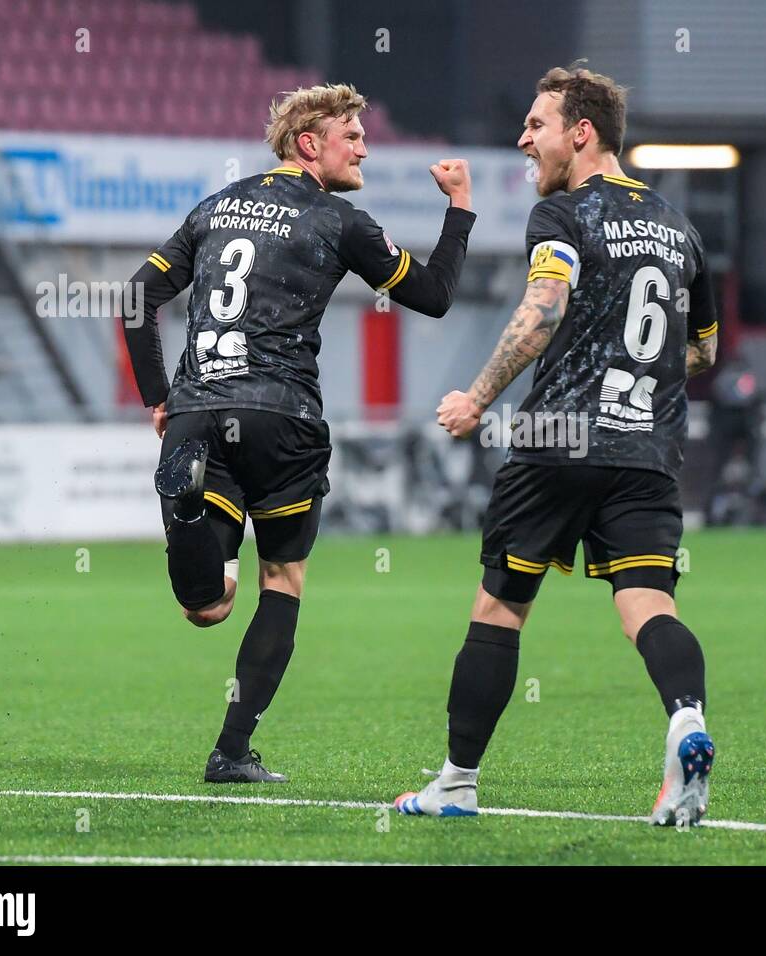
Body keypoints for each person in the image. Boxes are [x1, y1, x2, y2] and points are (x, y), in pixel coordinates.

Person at [120, 84, 475, 783]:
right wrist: (460, 209)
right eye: (352, 135)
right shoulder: (339, 220)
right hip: (281, 419)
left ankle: (190, 508)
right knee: (280, 580)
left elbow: (137, 296)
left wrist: (159, 399)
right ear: (308, 143)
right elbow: (433, 296)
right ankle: (230, 752)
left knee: (207, 607)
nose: (365, 147)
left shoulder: (215, 206)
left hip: (196, 413)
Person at [393, 66, 719, 825]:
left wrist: (476, 399)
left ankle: (457, 781)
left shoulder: (567, 216)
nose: (522, 139)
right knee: (648, 604)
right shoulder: (680, 227)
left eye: (536, 126)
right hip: (646, 449)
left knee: (500, 607)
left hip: (557, 440)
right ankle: (686, 721)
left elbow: (543, 310)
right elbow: (700, 351)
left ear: (582, 133)